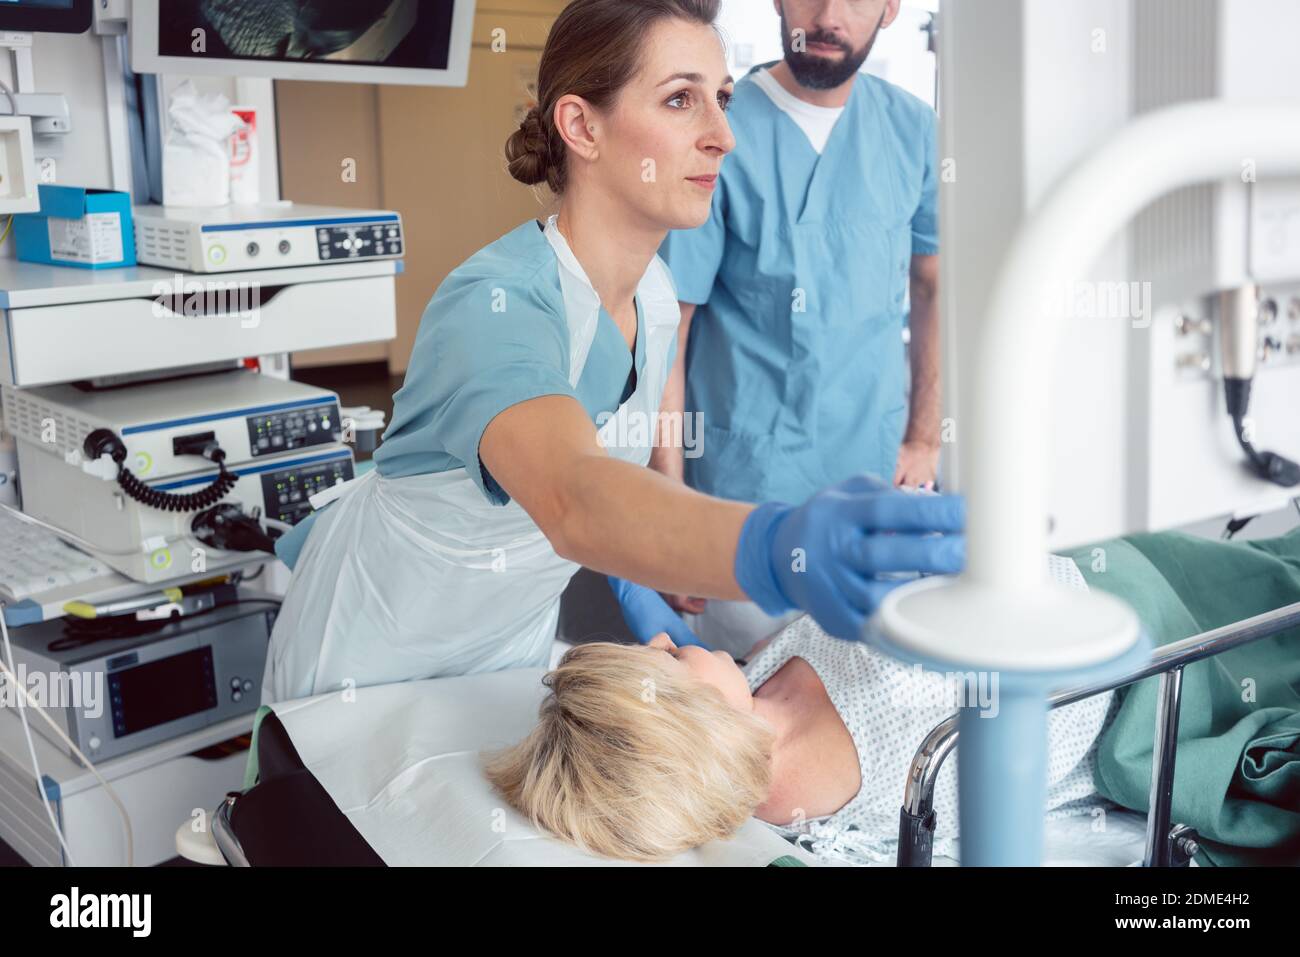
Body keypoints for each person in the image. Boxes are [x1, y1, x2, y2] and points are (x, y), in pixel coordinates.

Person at [261, 0, 964, 704]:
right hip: (361, 669)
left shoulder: (653, 300)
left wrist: (636, 569)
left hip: (502, 657)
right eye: (681, 99)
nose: (725, 135)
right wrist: (774, 547)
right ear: (581, 126)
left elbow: (598, 468)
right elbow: (569, 494)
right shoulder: (494, 306)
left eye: (721, 99)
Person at [488, 558, 1115, 864]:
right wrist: (948, 557)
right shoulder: (917, 748)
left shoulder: (750, 702)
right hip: (1115, 612)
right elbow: (1070, 643)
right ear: (693, 726)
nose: (658, 641)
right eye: (666, 663)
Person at [653, 0, 943, 656]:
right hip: (742, 496)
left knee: (856, 705)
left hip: (871, 485)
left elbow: (933, 286)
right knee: (743, 713)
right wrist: (668, 504)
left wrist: (925, 437)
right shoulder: (722, 130)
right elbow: (673, 323)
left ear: (891, 10)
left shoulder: (913, 131)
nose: (829, 15)